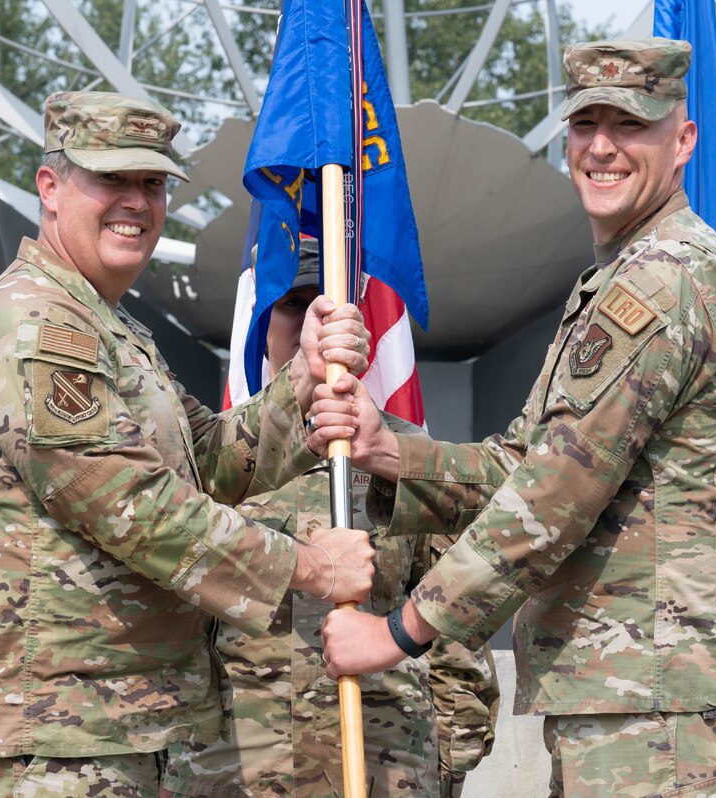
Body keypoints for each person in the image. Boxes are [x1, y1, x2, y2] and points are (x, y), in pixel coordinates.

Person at [315, 39, 716, 798]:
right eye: (585, 122)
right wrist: (391, 452)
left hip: (662, 712)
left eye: (630, 125)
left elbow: (550, 496)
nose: (602, 147)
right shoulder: (620, 279)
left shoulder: (665, 283)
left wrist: (398, 631)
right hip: (635, 698)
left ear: (684, 140)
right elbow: (522, 463)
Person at [0, 91, 376, 798]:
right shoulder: (37, 328)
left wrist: (306, 378)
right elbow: (134, 508)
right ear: (50, 187)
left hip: (108, 727)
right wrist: (310, 567)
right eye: (112, 179)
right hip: (49, 736)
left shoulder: (108, 330)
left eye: (153, 183)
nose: (137, 201)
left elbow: (212, 459)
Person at [160, 241, 499, 798]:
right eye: (293, 304)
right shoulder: (219, 459)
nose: (314, 319)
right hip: (235, 764)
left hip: (382, 760)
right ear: (261, 323)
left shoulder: (406, 452)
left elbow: (456, 613)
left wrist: (448, 759)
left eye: (329, 301)